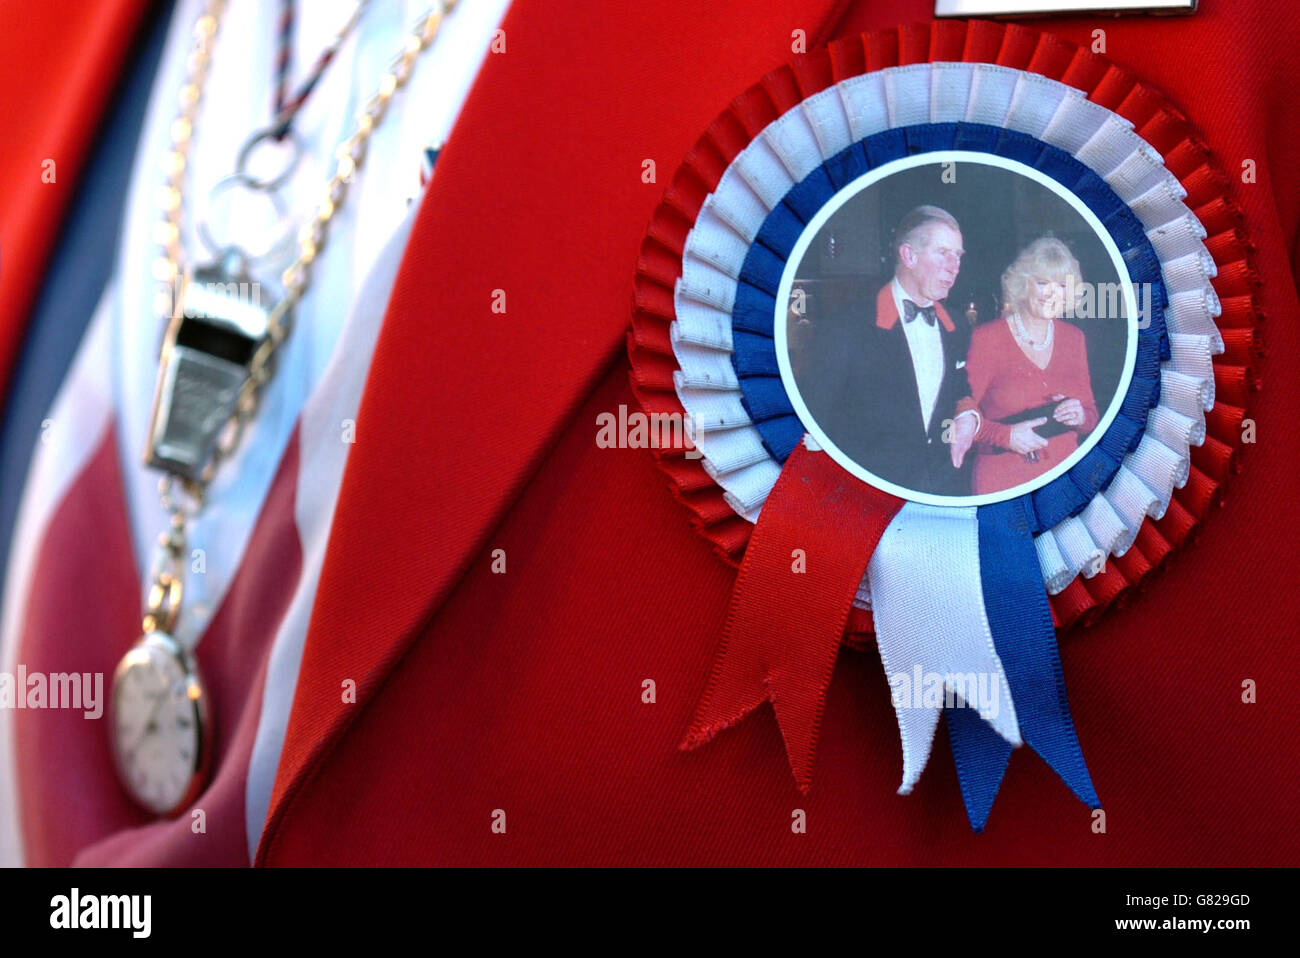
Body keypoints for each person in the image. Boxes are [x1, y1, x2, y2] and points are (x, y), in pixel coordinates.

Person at [797, 205, 979, 496]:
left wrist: (968, 417)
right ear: (908, 255)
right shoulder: (847, 327)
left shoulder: (956, 324)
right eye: (943, 252)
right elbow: (817, 421)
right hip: (867, 499)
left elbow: (960, 387)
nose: (953, 266)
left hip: (941, 494)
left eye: (958, 255)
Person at [965, 236, 1100, 495]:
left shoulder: (1074, 338)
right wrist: (1005, 436)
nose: (1051, 293)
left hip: (1064, 478)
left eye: (1061, 285)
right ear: (1024, 285)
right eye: (1042, 283)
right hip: (1003, 482)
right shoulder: (986, 338)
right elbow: (957, 420)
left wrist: (1080, 415)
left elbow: (1091, 416)